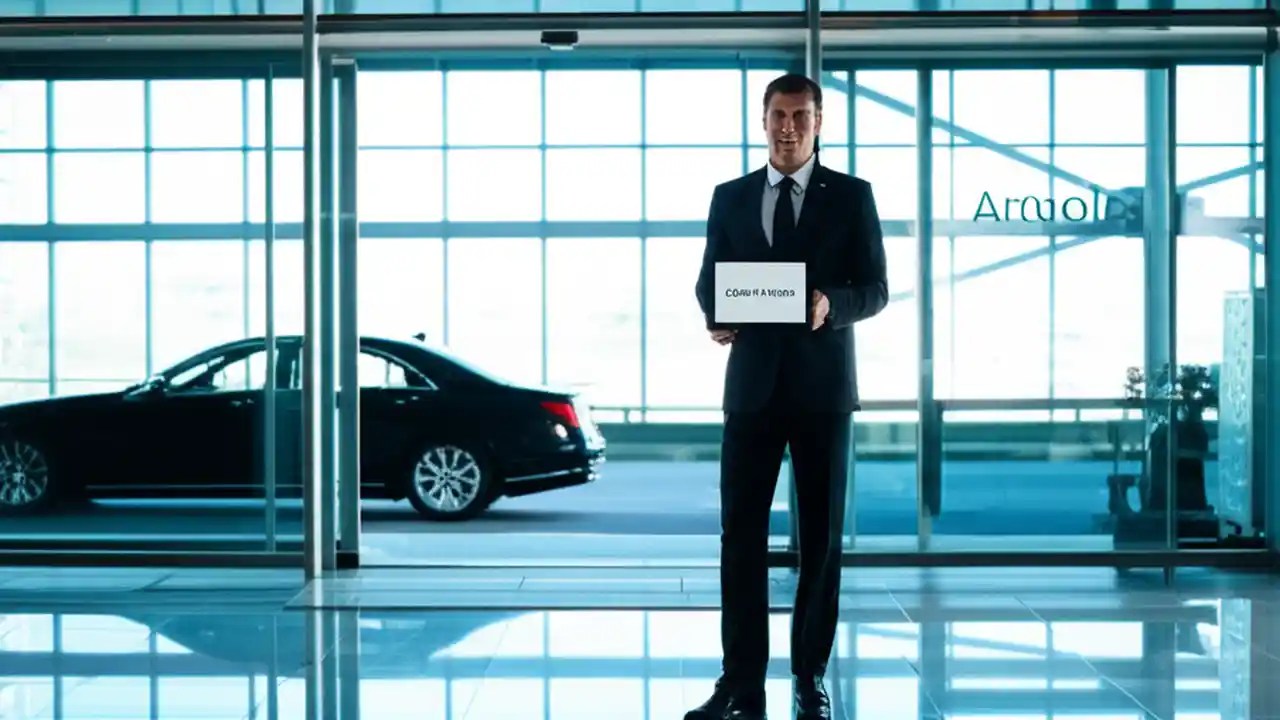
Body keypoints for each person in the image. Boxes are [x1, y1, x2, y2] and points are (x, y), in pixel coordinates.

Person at [685, 73, 888, 720]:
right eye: (778, 114)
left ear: (820, 121)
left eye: (801, 114)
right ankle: (740, 681)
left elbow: (876, 289)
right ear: (763, 119)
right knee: (738, 538)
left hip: (823, 393)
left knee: (820, 542)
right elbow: (708, 279)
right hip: (750, 391)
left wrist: (833, 304)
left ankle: (810, 678)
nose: (788, 126)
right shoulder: (731, 196)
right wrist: (714, 314)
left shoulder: (852, 196)